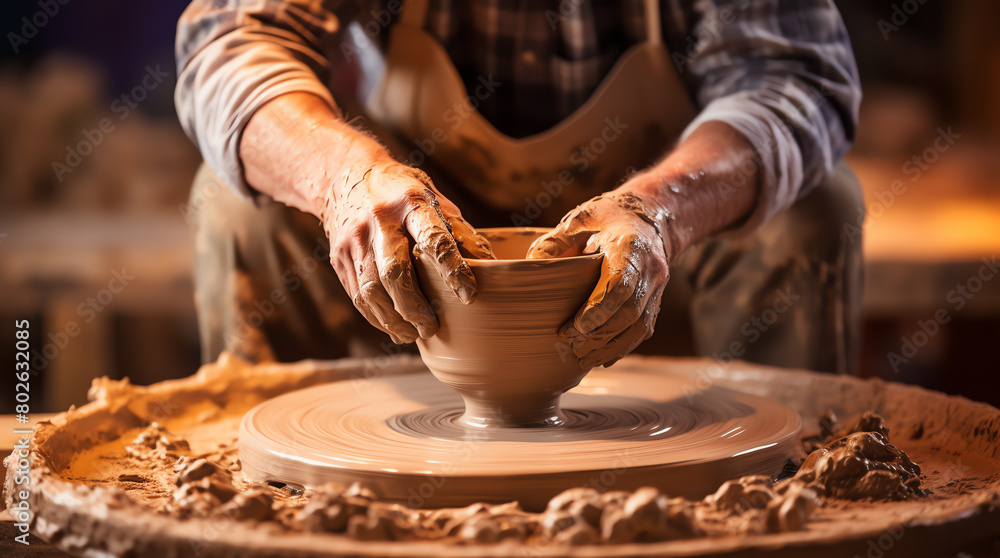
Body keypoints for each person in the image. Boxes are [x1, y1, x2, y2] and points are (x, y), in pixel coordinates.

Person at [175, 0, 863, 373]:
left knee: (812, 208)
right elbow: (230, 43)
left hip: (649, 253)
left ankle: (775, 494)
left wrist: (664, 211)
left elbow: (793, 79)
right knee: (240, 204)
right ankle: (283, 508)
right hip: (411, 237)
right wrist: (344, 181)